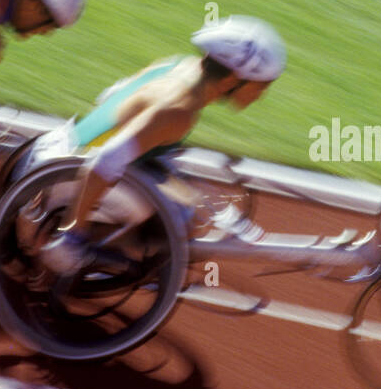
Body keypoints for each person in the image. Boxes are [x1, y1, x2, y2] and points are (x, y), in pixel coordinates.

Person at [40, 15, 285, 274]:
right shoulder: (180, 109)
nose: (262, 95)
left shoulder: (181, 65)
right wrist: (72, 233)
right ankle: (97, 260)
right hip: (61, 178)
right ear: (232, 78)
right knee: (178, 220)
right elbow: (106, 161)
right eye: (262, 85)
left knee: (184, 195)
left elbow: (111, 95)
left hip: (57, 149)